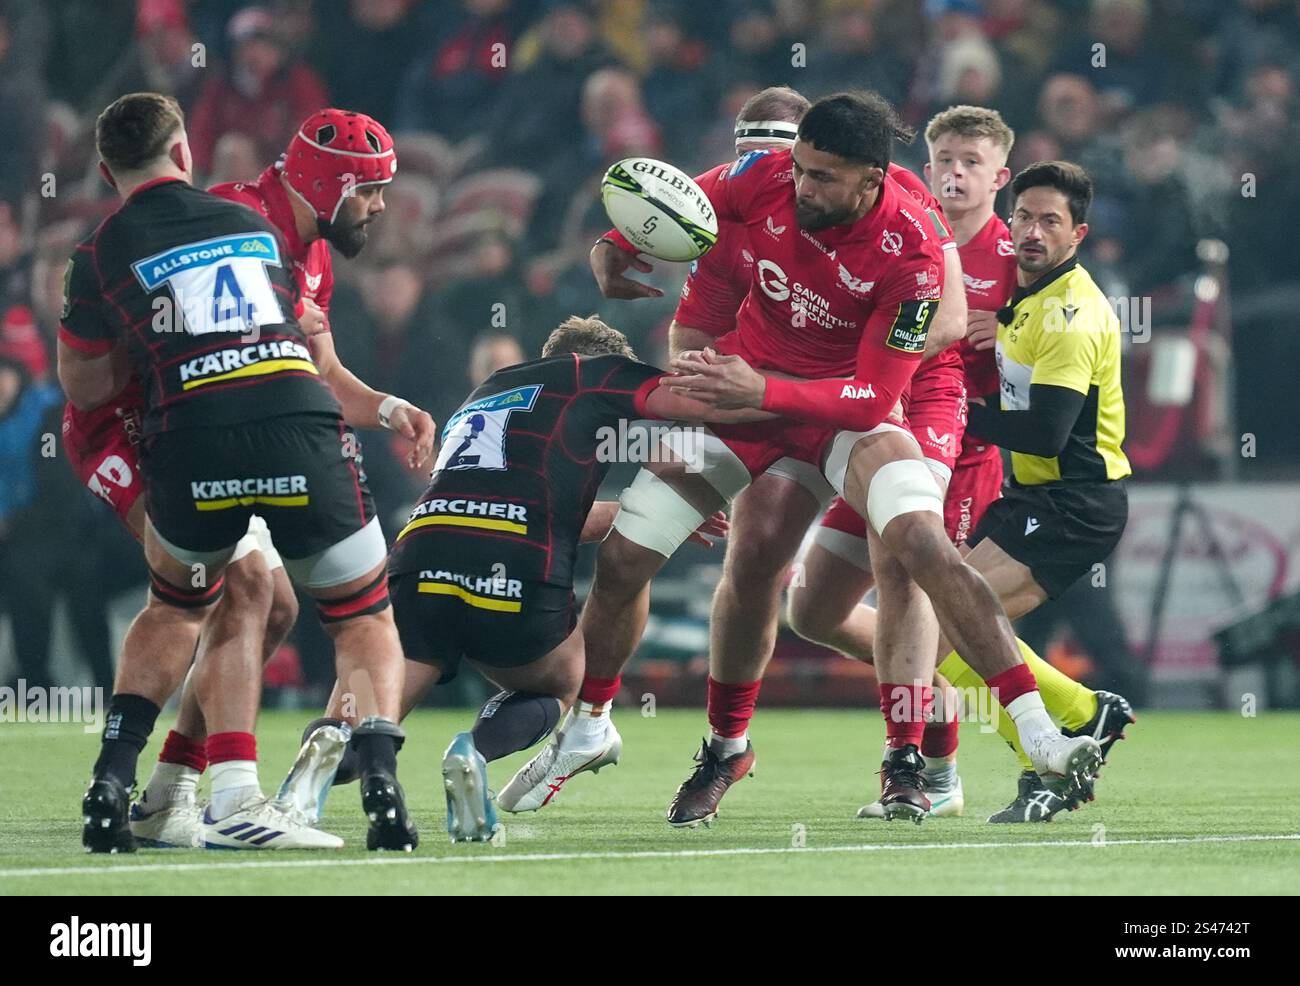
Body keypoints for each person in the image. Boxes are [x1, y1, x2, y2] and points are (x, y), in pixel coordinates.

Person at [510, 91, 1102, 825]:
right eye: (798, 166)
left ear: (871, 179)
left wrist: (763, 388)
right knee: (646, 555)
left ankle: (1013, 735)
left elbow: (869, 399)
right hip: (751, 397)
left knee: (918, 549)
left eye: (821, 177)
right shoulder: (761, 182)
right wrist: (611, 246)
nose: (800, 186)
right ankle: (603, 728)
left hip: (852, 405)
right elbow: (665, 209)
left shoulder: (914, 244)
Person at [67, 106, 437, 850]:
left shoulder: (301, 251)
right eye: (368, 190)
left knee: (261, 607)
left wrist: (390, 405)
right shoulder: (239, 221)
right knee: (249, 587)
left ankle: (158, 789)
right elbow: (93, 391)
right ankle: (238, 795)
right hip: (138, 428)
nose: (380, 207)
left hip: (201, 421)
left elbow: (321, 369)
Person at [788, 106, 1135, 822]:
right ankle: (1067, 711)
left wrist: (997, 328)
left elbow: (1047, 395)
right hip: (879, 439)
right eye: (943, 158)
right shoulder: (898, 230)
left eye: (970, 162)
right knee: (813, 610)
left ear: (996, 177)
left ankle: (931, 765)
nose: (953, 173)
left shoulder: (1023, 264)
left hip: (965, 458)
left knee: (932, 613)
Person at [289, 316, 739, 842]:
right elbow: (691, 399)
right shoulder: (590, 374)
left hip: (421, 556)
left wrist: (637, 511)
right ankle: (473, 752)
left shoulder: (488, 392)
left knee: (367, 705)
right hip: (513, 562)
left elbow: (539, 497)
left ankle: (313, 771)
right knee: (559, 681)